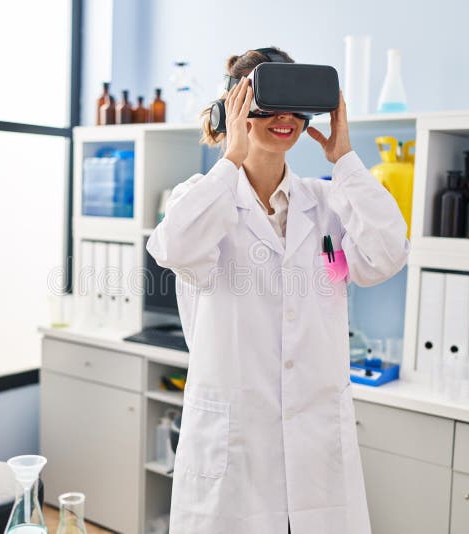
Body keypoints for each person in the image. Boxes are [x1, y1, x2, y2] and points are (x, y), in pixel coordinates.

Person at [146, 47, 409, 534]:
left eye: (295, 105)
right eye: (267, 103)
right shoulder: (201, 197)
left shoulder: (328, 201)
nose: (284, 118)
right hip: (236, 449)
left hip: (316, 450)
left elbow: (386, 254)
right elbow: (175, 247)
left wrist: (346, 160)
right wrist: (231, 158)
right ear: (236, 107)